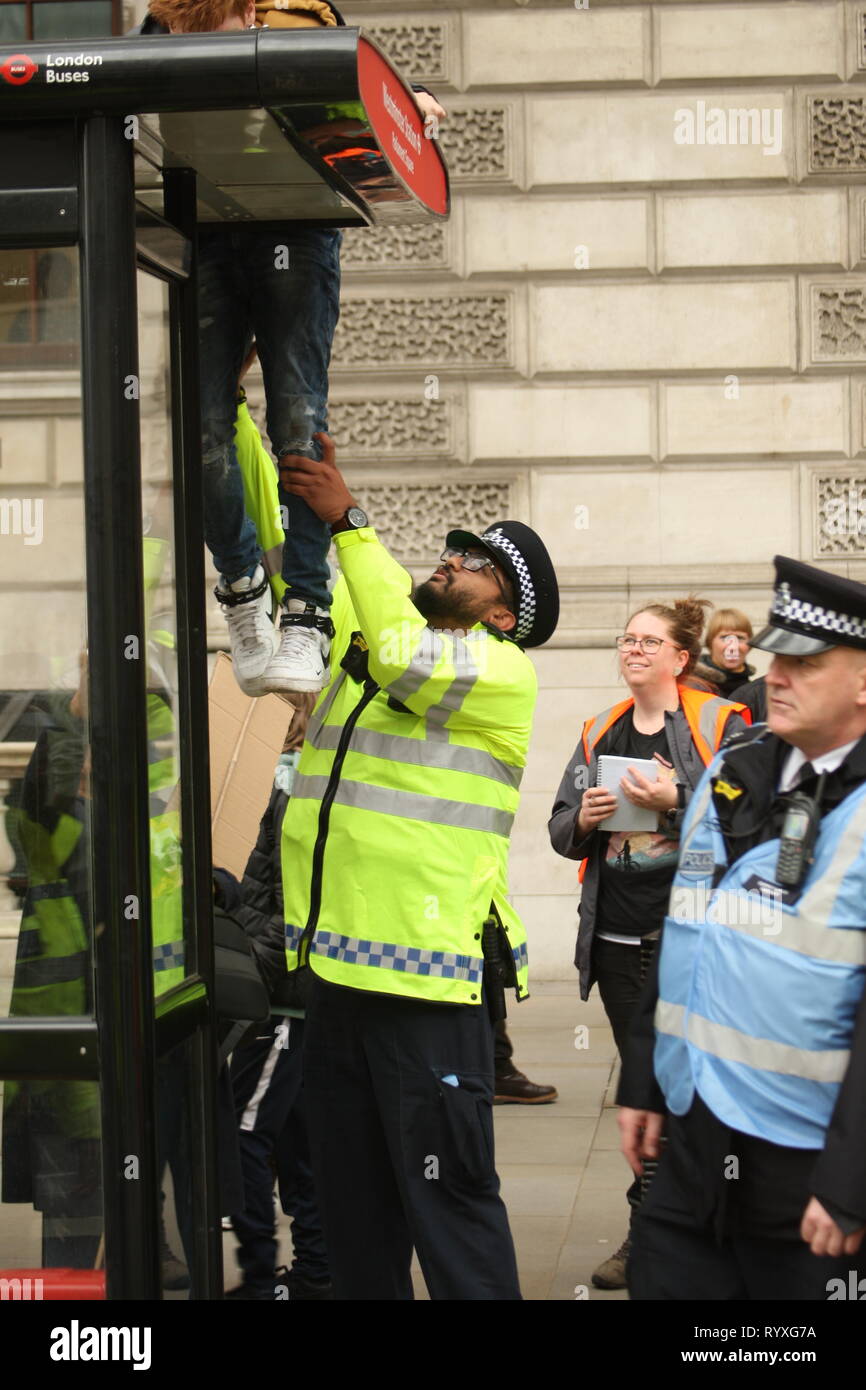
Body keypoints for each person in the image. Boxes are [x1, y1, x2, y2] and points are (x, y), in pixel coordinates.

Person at [276, 430, 559, 1300]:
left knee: (450, 1205)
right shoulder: (396, 624)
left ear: (506, 613)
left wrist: (352, 518)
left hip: (425, 988)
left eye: (477, 564)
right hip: (332, 973)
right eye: (454, 547)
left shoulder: (499, 670)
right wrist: (254, 420)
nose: (452, 560)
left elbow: (399, 652)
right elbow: (290, 540)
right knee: (354, 1215)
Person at [142, 0, 446, 699]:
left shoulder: (301, 15)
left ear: (248, 10)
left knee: (297, 419)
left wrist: (416, 97)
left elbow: (365, 82)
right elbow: (122, 84)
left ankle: (305, 611)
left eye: (217, 34)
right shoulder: (165, 23)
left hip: (298, 225)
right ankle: (245, 588)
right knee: (203, 420)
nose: (206, 47)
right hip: (211, 228)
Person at [618, 555, 866, 1301]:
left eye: (807, 663)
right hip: (696, 1140)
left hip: (811, 1163)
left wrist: (852, 1179)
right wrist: (643, 1079)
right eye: (775, 658)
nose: (776, 676)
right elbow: (682, 930)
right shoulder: (738, 766)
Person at [548, 598, 749, 1290]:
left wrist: (678, 797)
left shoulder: (719, 722)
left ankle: (673, 1229)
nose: (633, 650)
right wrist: (588, 817)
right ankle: (656, 1229)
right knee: (646, 1090)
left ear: (679, 658)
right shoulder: (598, 728)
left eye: (648, 641)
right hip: (614, 938)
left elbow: (747, 811)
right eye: (626, 639)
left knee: (683, 1089)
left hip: (692, 940)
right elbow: (558, 825)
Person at [699, 607, 755, 699]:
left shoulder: (755, 692)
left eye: (740, 638)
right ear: (710, 642)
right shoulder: (693, 685)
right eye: (725, 638)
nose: (733, 646)